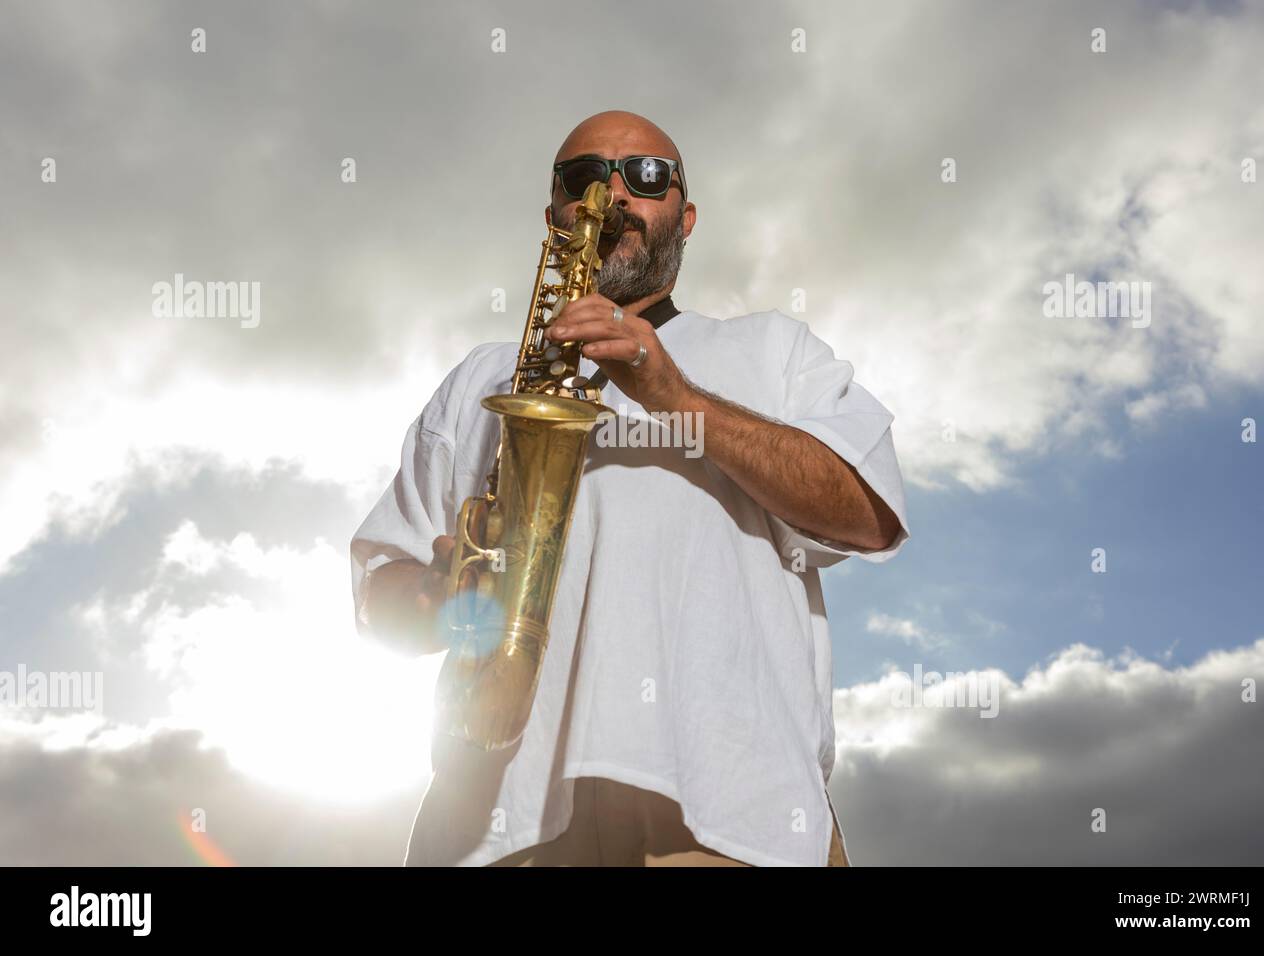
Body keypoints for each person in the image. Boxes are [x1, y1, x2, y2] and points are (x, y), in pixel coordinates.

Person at [349, 110, 910, 866]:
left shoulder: (773, 347)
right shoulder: (479, 379)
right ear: (553, 215)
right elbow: (380, 595)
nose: (609, 194)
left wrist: (677, 397)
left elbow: (868, 514)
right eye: (582, 177)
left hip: (734, 818)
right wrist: (432, 599)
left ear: (687, 214)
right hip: (496, 827)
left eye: (645, 175)